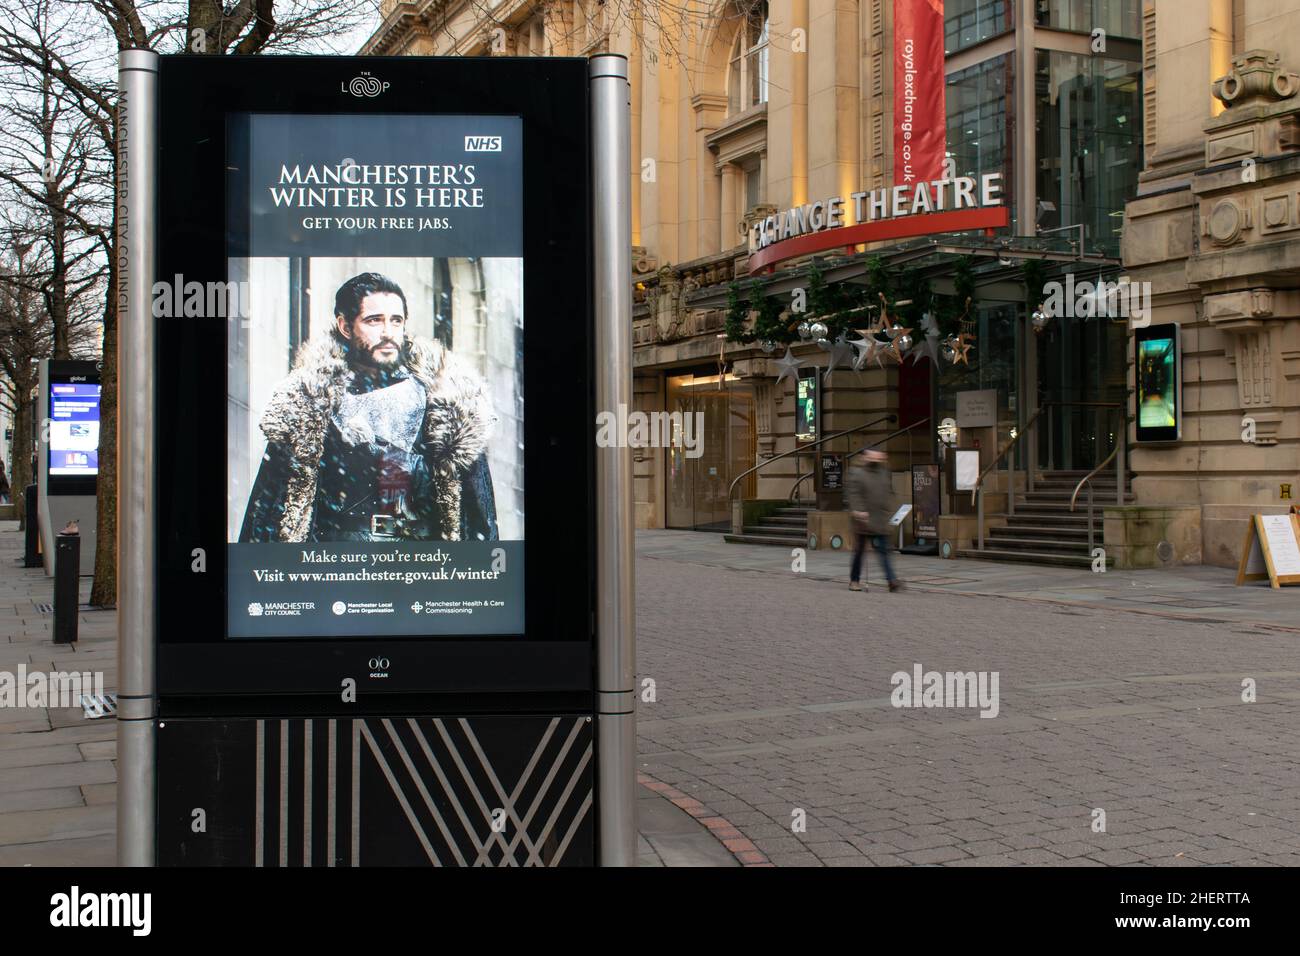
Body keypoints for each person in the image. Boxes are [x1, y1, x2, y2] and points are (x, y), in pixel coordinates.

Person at [239, 271, 498, 543]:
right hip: (335, 561)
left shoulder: (448, 401)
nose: (388, 332)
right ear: (345, 326)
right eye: (374, 320)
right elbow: (268, 513)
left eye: (396, 320)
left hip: (419, 561)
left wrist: (399, 464)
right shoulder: (309, 402)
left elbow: (477, 513)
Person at [845, 448, 902, 592]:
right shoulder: (856, 473)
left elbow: (889, 493)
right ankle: (854, 580)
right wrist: (859, 511)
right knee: (859, 552)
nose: (876, 457)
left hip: (879, 519)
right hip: (862, 521)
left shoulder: (884, 472)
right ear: (865, 457)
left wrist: (890, 512)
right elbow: (853, 494)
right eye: (872, 455)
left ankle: (891, 580)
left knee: (884, 551)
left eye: (878, 455)